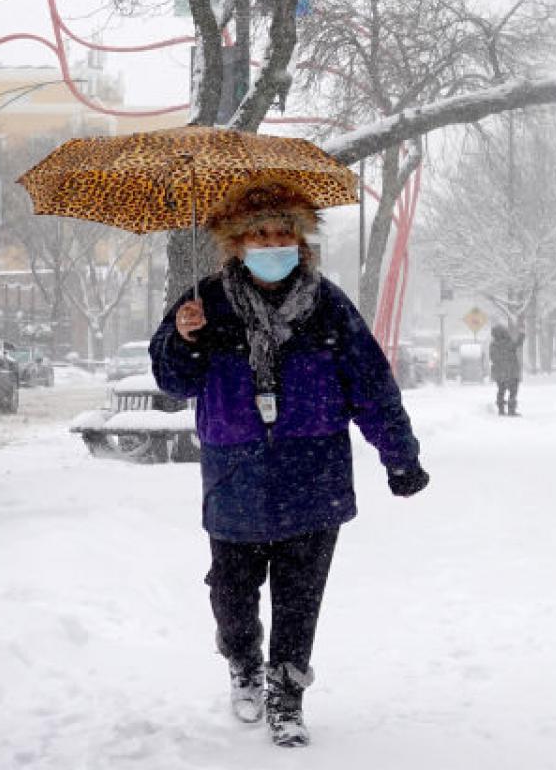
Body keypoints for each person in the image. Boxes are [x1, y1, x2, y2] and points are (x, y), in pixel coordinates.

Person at [150, 183, 430, 749]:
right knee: (232, 595)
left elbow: (371, 386)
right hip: (236, 476)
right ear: (236, 242)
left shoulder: (327, 304)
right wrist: (183, 339)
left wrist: (400, 457)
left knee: (300, 600)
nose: (272, 243)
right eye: (259, 234)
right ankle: (243, 662)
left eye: (283, 234)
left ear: (300, 242)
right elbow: (173, 383)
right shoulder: (203, 302)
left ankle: (287, 695)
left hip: (314, 476)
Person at [488, 322, 524, 416]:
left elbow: (493, 358)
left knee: (501, 390)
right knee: (513, 391)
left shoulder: (493, 345)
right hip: (511, 371)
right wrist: (521, 335)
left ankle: (501, 409)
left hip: (500, 372)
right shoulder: (508, 342)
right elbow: (517, 344)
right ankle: (511, 409)